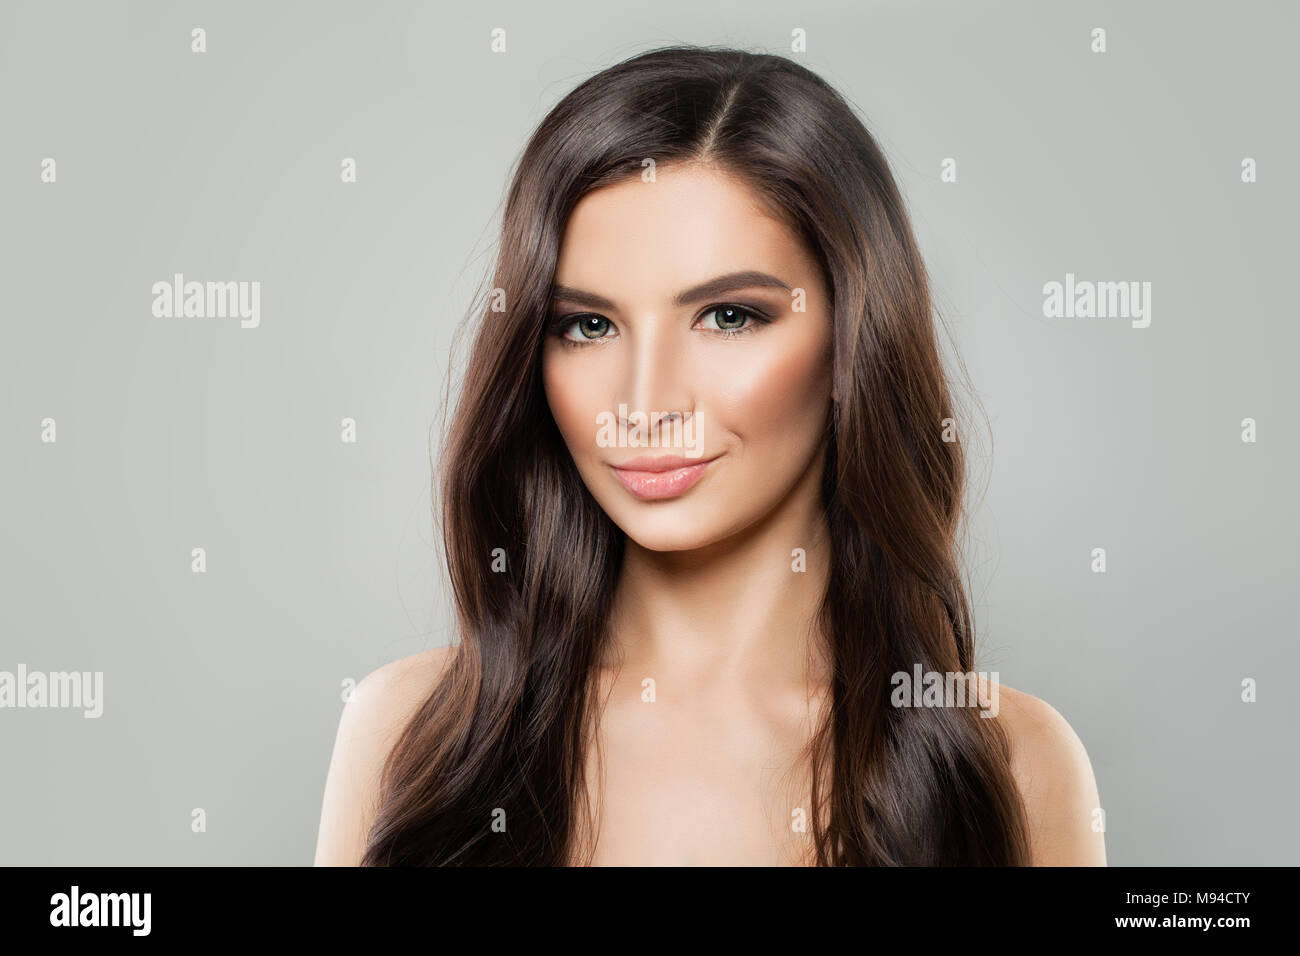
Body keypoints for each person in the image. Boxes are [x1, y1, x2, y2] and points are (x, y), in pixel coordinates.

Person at [315, 45, 1105, 866]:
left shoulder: (1012, 763)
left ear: (851, 340)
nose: (645, 404)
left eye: (729, 316)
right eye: (588, 325)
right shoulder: (413, 733)